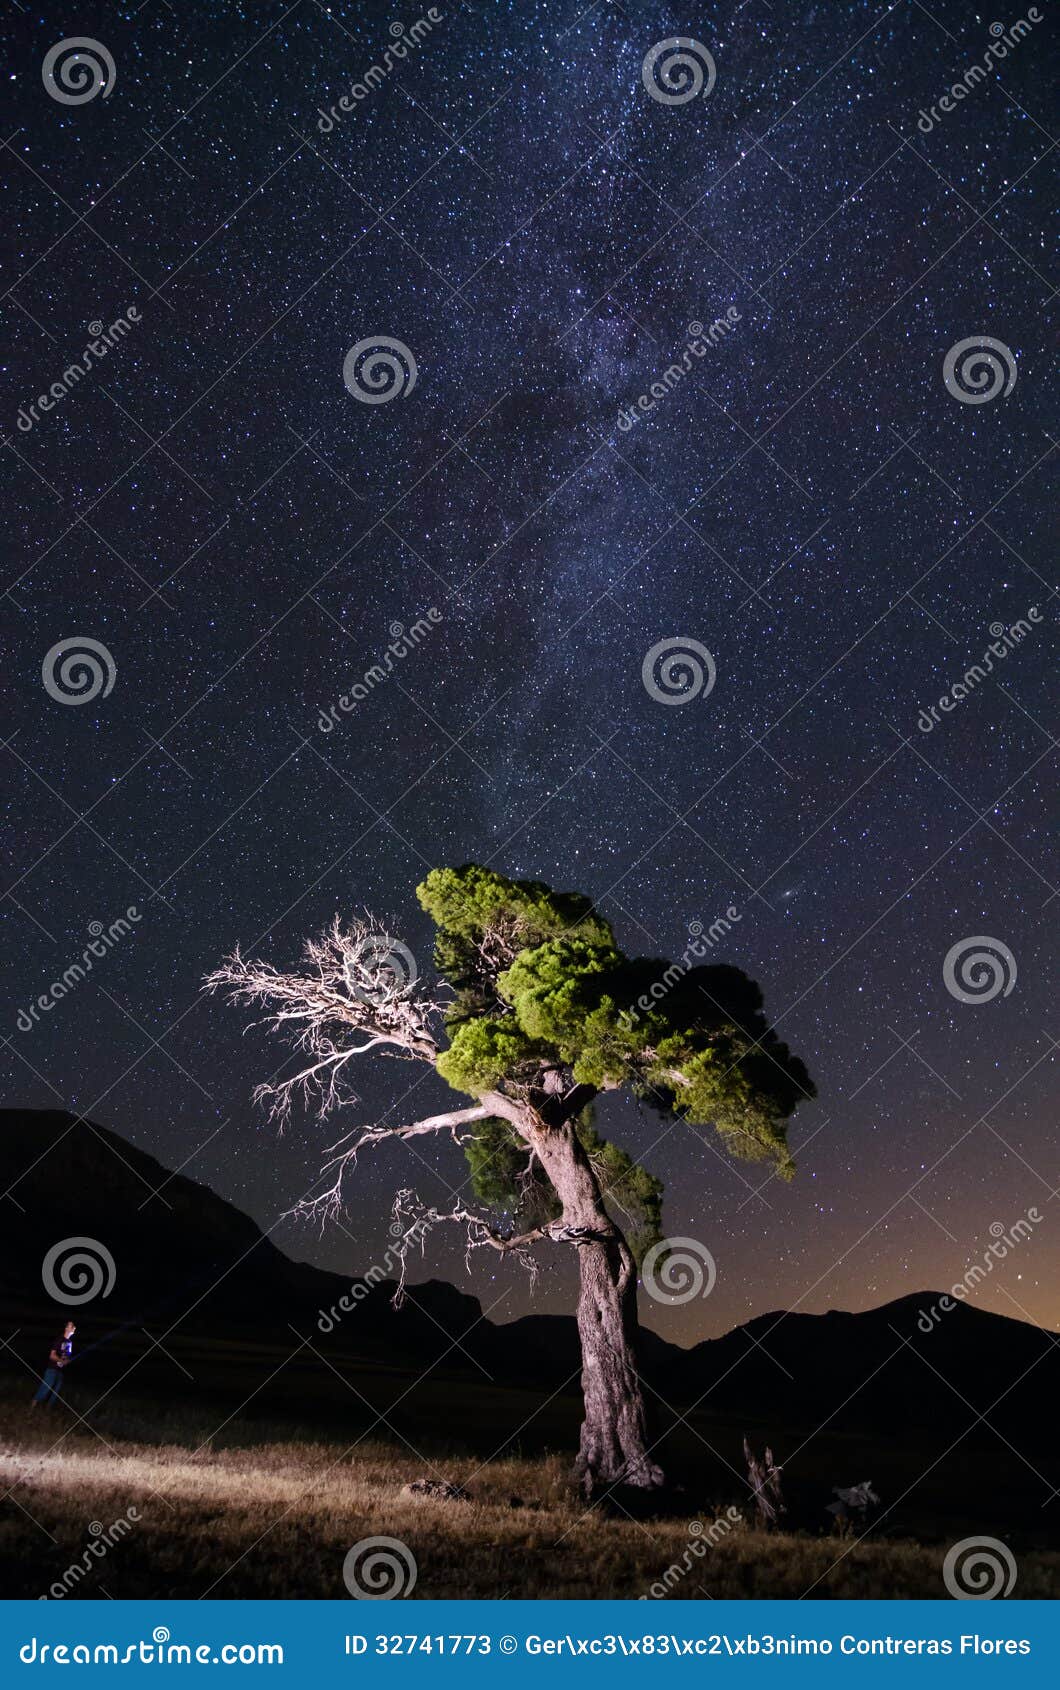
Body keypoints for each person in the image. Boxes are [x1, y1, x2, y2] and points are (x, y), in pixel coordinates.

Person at [32, 1321, 75, 1406]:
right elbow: (52, 1356)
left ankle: (47, 1409)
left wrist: (67, 1360)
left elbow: (66, 1356)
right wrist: (62, 1361)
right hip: (52, 1369)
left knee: (55, 1392)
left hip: (61, 1371)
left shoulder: (70, 1343)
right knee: (45, 1388)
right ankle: (31, 1408)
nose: (74, 1327)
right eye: (72, 1325)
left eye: (74, 1326)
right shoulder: (59, 1339)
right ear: (66, 1328)